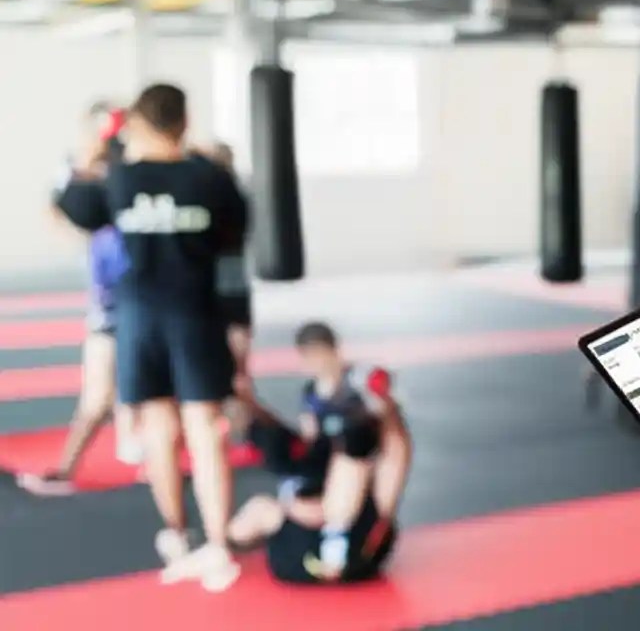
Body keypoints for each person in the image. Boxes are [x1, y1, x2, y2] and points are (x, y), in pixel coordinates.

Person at [54, 83, 248, 592]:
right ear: (185, 121)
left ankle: (178, 535)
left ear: (138, 123)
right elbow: (237, 232)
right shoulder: (210, 177)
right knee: (206, 430)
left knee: (158, 429)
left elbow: (73, 206)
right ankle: (218, 547)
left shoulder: (121, 179)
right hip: (195, 313)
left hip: (140, 318)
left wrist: (92, 150)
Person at [227, 322, 407, 584]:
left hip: (353, 544)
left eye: (319, 355)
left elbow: (393, 450)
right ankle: (219, 546)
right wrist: (251, 406)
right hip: (304, 551)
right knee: (259, 508)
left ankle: (335, 534)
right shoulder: (312, 396)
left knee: (356, 453)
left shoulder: (361, 408)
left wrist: (385, 407)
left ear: (333, 351)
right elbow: (308, 447)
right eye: (310, 357)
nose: (316, 363)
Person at [21, 104, 139, 496]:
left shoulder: (135, 166)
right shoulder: (79, 171)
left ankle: (150, 460)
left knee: (147, 390)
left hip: (141, 293)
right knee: (98, 392)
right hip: (108, 297)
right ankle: (69, 467)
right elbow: (58, 209)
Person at [194, 142, 255, 440]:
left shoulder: (230, 201)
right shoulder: (222, 199)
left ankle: (242, 428)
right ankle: (235, 428)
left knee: (234, 370)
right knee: (228, 370)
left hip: (226, 293)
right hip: (219, 294)